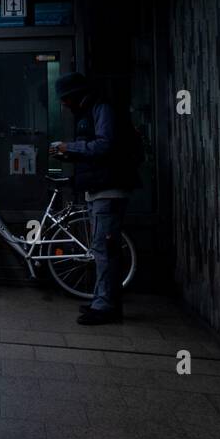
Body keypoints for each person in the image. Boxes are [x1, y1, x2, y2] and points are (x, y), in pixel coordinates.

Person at [50, 72, 139, 325]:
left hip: (109, 190)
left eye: (65, 99)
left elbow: (105, 145)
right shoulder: (88, 111)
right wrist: (67, 155)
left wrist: (69, 147)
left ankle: (106, 306)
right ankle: (102, 300)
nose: (63, 104)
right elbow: (95, 151)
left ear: (76, 95)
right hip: (99, 189)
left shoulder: (102, 108)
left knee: (104, 250)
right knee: (102, 249)